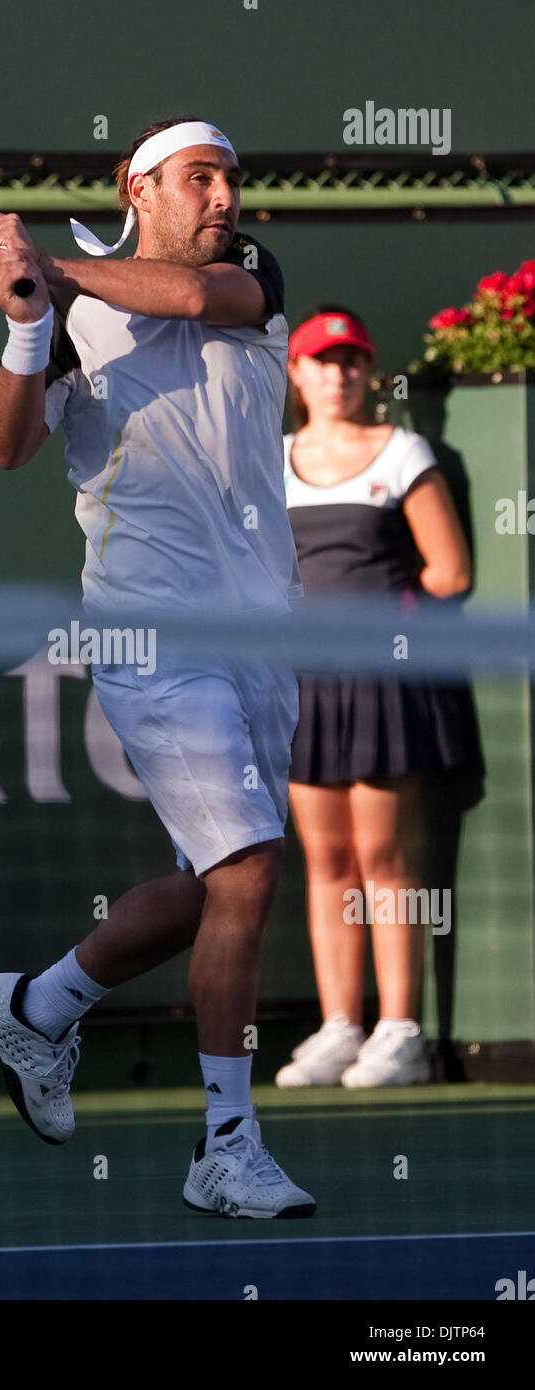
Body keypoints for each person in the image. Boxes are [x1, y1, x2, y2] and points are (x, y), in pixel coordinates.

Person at [0, 117, 315, 1218]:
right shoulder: (72, 310)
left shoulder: (248, 270)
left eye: (230, 180)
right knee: (249, 867)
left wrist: (49, 266)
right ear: (138, 186)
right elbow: (2, 441)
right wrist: (28, 325)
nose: (223, 197)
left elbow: (197, 301)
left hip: (263, 632)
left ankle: (37, 1001)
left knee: (212, 884)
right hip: (145, 628)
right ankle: (223, 1143)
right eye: (199, 179)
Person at [275, 305, 483, 1088]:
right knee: (326, 859)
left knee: (385, 860)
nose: (339, 375)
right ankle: (339, 1027)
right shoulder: (276, 458)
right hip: (306, 685)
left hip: (384, 683)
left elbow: (450, 572)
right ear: (296, 375)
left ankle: (400, 1032)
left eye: (352, 361)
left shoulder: (402, 454)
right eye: (322, 362)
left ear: (369, 372)